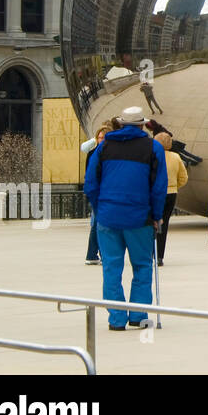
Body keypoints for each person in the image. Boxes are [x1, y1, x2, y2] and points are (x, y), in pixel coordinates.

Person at [83, 107, 167, 331]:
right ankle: (138, 315)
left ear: (120, 124)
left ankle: (116, 319)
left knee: (111, 267)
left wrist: (99, 208)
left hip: (108, 217)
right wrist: (157, 216)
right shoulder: (154, 148)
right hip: (140, 217)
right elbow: (159, 188)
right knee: (141, 266)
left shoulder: (104, 147)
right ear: (142, 125)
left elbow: (90, 183)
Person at [80, 119, 116, 265]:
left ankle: (95, 254)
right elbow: (90, 174)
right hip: (99, 193)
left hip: (105, 192)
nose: (101, 140)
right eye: (99, 138)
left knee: (99, 224)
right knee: (98, 225)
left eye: (103, 138)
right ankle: (95, 254)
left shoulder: (110, 153)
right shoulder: (93, 153)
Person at [155, 130, 188, 265]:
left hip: (155, 192)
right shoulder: (175, 157)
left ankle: (151, 252)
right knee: (164, 223)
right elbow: (183, 177)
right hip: (171, 193)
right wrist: (174, 186)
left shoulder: (153, 156)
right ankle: (160, 256)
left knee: (152, 222)